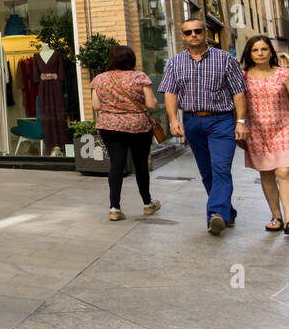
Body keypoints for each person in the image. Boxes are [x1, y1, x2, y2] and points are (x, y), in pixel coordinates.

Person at [159, 17, 249, 235]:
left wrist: (241, 121)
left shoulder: (225, 59)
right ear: (182, 36)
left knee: (220, 168)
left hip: (221, 121)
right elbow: (170, 92)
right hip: (192, 121)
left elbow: (239, 92)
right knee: (207, 172)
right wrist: (173, 119)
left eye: (198, 31)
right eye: (188, 32)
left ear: (206, 32)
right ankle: (228, 212)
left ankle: (216, 214)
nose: (193, 35)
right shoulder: (174, 62)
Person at [89, 44, 162, 221]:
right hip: (138, 126)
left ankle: (114, 208)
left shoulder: (99, 79)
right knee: (140, 165)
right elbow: (152, 104)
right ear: (131, 59)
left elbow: (96, 106)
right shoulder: (140, 77)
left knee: (116, 165)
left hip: (109, 126)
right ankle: (147, 203)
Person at [239, 34, 289, 233]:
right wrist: (239, 126)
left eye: (264, 49)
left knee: (284, 171)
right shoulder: (243, 77)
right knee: (266, 172)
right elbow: (239, 104)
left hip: (283, 127)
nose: (260, 53)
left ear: (271, 52)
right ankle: (276, 216)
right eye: (255, 50)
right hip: (257, 131)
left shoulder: (284, 74)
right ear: (249, 54)